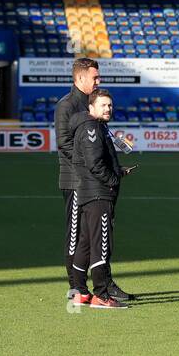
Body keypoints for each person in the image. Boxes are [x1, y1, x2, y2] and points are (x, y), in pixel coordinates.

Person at [70, 89, 136, 308]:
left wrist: (118, 171)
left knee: (86, 244)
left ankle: (80, 292)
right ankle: (101, 295)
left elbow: (96, 161)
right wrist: (112, 180)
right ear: (91, 107)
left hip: (90, 193)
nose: (108, 109)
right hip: (98, 194)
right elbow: (94, 163)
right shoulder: (92, 127)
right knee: (101, 245)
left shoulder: (94, 126)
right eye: (103, 105)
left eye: (110, 105)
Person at [55, 57, 99, 302]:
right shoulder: (66, 105)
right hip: (74, 181)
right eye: (95, 77)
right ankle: (76, 289)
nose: (98, 81)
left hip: (92, 180)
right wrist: (90, 163)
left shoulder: (91, 104)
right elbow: (64, 143)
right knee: (75, 235)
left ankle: (97, 285)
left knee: (90, 235)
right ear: (80, 78)